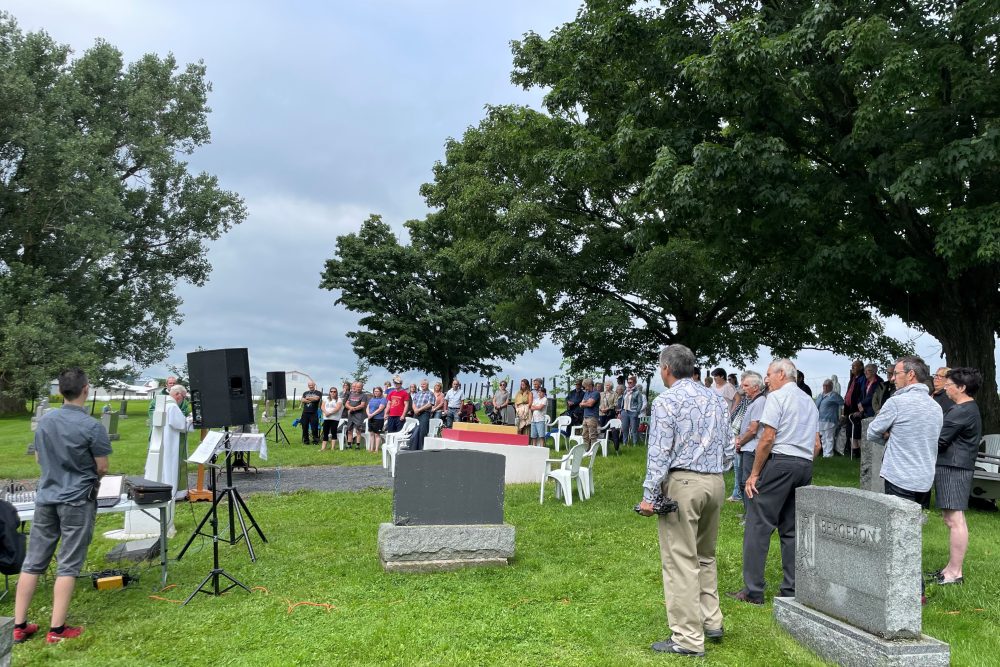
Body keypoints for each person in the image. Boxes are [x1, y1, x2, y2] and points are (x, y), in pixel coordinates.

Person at [638, 345, 732, 657]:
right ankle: (711, 619)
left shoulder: (666, 400)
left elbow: (659, 451)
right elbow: (729, 443)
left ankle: (688, 639)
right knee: (705, 555)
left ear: (666, 368)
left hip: (684, 483)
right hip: (715, 482)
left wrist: (650, 495)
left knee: (680, 560)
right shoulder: (716, 398)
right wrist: (718, 468)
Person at [14, 369, 112, 644]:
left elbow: (38, 460)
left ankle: (18, 624)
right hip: (77, 499)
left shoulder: (46, 421)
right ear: (86, 390)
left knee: (33, 561)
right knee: (68, 564)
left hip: (46, 496)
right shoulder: (92, 426)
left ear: (60, 392)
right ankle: (56, 630)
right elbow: (102, 467)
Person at [729, 359, 820, 605]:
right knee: (790, 528)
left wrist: (755, 473)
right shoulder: (809, 401)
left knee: (758, 523)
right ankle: (791, 588)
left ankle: (753, 590)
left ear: (782, 374)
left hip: (781, 461)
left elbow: (767, 438)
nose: (766, 379)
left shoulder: (777, 398)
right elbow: (816, 445)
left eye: (769, 374)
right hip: (804, 464)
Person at [930, 367, 983, 586]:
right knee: (951, 518)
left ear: (961, 388)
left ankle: (954, 573)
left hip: (954, 468)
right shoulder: (966, 408)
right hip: (954, 467)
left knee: (955, 520)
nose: (946, 388)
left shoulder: (962, 410)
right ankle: (950, 569)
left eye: (950, 385)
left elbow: (940, 440)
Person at [867, 356, 942, 508]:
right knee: (917, 529)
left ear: (910, 374)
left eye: (896, 373)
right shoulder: (936, 407)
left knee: (896, 528)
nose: (893, 378)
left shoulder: (896, 402)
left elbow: (872, 432)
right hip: (925, 479)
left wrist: (889, 438)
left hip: (899, 477)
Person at [733, 372, 766, 511]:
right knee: (742, 482)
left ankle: (751, 515)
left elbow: (753, 430)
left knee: (748, 482)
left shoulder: (760, 402)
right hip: (747, 447)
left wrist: (740, 441)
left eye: (746, 385)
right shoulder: (753, 401)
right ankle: (748, 513)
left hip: (751, 448)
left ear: (756, 387)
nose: (743, 387)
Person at [157, 385, 195, 494]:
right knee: (173, 466)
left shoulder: (164, 403)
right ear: (178, 395)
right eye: (183, 397)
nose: (183, 400)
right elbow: (181, 425)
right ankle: (176, 492)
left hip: (164, 440)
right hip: (172, 443)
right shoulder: (172, 406)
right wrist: (191, 419)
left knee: (165, 467)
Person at [815, 380, 844, 458]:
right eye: (824, 385)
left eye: (827, 385)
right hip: (820, 419)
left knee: (829, 437)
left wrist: (842, 415)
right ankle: (825, 454)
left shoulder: (834, 395)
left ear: (831, 386)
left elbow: (842, 404)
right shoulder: (821, 395)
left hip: (830, 419)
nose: (825, 387)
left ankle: (829, 454)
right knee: (823, 438)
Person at [843, 360, 865, 456]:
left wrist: (859, 408)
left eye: (855, 366)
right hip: (849, 408)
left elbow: (862, 394)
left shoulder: (862, 379)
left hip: (856, 409)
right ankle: (853, 452)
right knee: (850, 432)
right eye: (852, 366)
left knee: (856, 432)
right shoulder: (852, 379)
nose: (853, 368)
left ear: (860, 367)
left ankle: (858, 453)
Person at [620, 375, 647, 446]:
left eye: (630, 382)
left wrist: (636, 412)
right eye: (628, 382)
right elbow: (622, 401)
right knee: (625, 428)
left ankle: (635, 444)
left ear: (634, 382)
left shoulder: (637, 392)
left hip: (633, 412)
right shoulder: (625, 391)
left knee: (634, 429)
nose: (629, 384)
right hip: (625, 411)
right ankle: (624, 443)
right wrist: (621, 410)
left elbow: (640, 403)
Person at [411, 379, 435, 450]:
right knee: (414, 430)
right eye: (421, 384)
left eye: (424, 384)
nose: (422, 385)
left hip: (424, 413)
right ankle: (413, 447)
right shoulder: (418, 393)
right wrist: (415, 409)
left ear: (427, 385)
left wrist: (419, 409)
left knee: (422, 431)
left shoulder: (430, 393)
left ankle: (421, 448)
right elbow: (413, 402)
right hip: (416, 413)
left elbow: (430, 404)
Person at [344, 382, 367, 449]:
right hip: (351, 415)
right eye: (357, 387)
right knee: (349, 430)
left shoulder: (363, 395)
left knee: (358, 430)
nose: (358, 388)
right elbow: (346, 404)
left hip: (359, 415)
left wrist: (353, 409)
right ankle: (349, 445)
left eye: (359, 387)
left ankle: (357, 445)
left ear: (362, 387)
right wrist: (350, 408)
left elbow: (362, 405)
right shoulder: (351, 394)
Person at [579, 379, 601, 451]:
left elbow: (590, 404)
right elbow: (581, 404)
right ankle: (586, 451)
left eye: (585, 386)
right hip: (585, 417)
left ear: (589, 385)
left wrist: (585, 403)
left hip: (592, 417)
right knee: (585, 435)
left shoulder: (596, 393)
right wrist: (585, 403)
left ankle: (593, 452)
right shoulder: (586, 393)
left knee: (592, 435)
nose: (584, 388)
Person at [299, 380, 322, 445]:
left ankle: (315, 441)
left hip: (313, 413)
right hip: (305, 413)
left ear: (314, 385)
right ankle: (306, 441)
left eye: (312, 385)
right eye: (309, 385)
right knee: (304, 427)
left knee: (314, 428)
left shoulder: (318, 392)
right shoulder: (305, 392)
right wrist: (311, 399)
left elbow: (317, 399)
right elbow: (302, 400)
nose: (311, 386)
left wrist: (307, 398)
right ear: (308, 386)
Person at [366, 386, 387, 452]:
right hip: (370, 418)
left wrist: (372, 415)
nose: (376, 392)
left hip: (378, 419)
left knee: (377, 434)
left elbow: (380, 409)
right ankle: (371, 449)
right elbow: (367, 407)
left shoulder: (383, 399)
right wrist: (368, 414)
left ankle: (376, 449)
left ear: (381, 392)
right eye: (375, 391)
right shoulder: (372, 399)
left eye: (377, 391)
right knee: (371, 434)